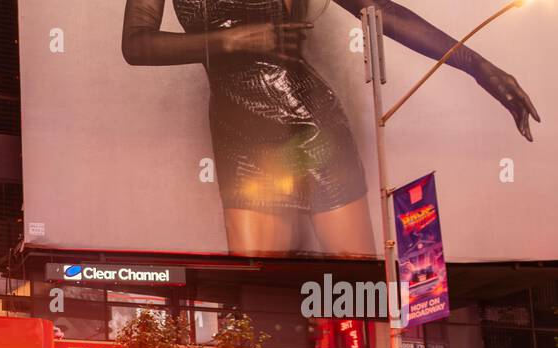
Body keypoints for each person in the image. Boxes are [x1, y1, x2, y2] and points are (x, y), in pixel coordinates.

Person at [120, 0, 539, 257]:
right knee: (257, 306)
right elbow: (136, 44)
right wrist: (232, 41)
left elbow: (382, 11)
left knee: (354, 296)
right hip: (238, 135)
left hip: (311, 128)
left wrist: (477, 66)